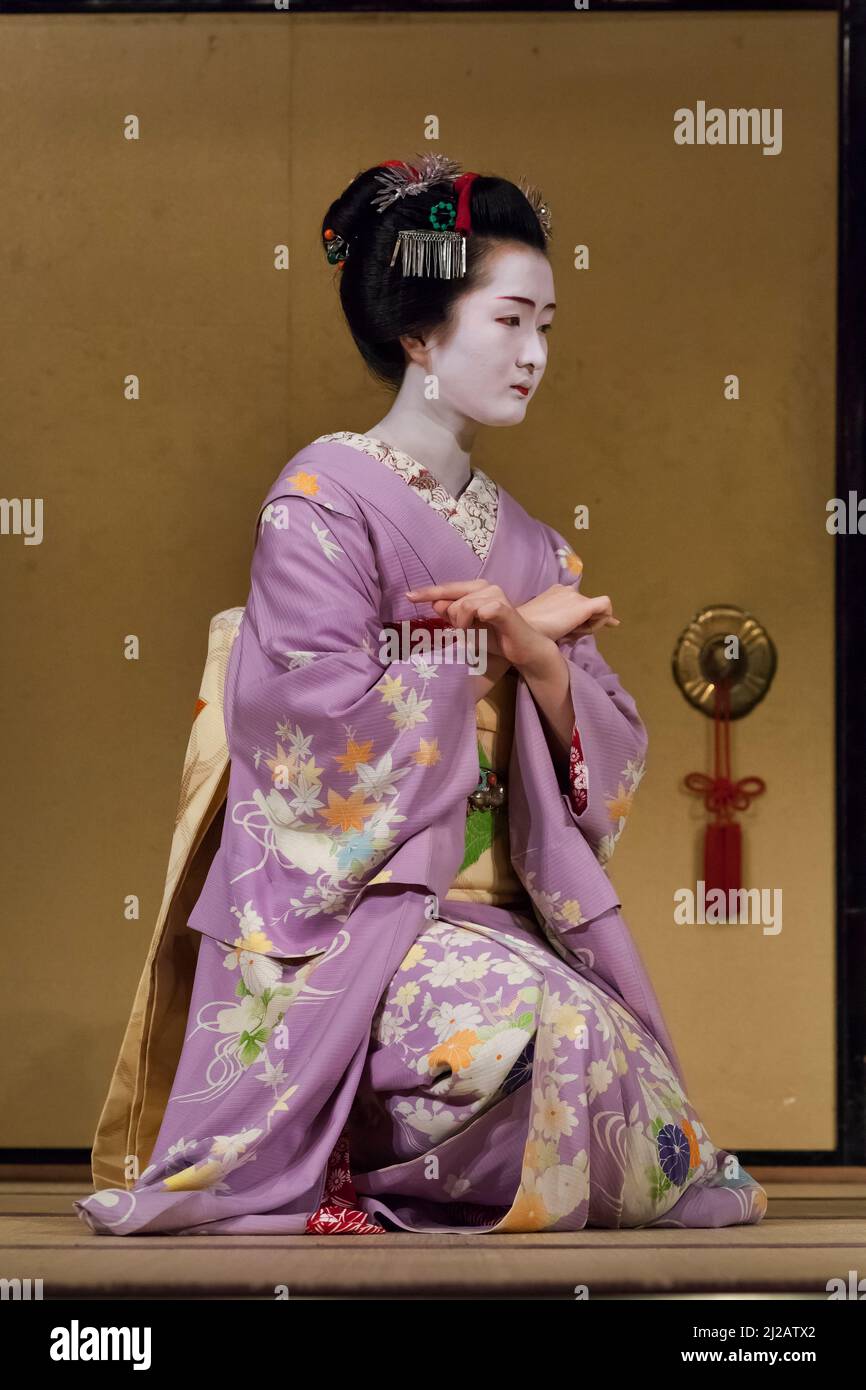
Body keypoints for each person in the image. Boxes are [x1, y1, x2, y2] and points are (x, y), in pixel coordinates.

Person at [75, 155, 767, 1236]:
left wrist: (534, 658)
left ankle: (413, 1157)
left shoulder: (529, 538)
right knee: (550, 1035)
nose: (535, 353)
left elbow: (610, 745)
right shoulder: (318, 500)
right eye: (507, 319)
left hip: (495, 909)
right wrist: (486, 655)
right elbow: (305, 721)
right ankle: (350, 1147)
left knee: (617, 1065)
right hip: (362, 911)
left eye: (547, 323)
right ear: (417, 334)